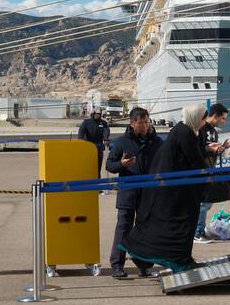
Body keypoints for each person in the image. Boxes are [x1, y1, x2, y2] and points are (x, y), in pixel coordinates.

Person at [121, 104, 211, 271]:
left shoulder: (185, 130)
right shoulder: (184, 132)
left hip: (174, 188)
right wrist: (210, 176)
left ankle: (175, 258)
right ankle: (179, 260)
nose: (204, 123)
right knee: (177, 224)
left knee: (168, 224)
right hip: (174, 191)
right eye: (203, 119)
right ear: (196, 118)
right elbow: (195, 160)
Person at [105, 107, 162, 279]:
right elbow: (109, 166)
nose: (145, 126)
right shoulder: (122, 142)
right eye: (141, 122)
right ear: (132, 123)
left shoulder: (157, 142)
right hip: (128, 193)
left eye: (147, 122)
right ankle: (117, 265)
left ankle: (144, 265)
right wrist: (122, 164)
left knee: (145, 230)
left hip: (149, 194)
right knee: (123, 228)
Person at [194, 103, 230, 242]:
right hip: (202, 171)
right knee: (204, 203)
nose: (224, 121)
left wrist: (222, 147)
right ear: (215, 116)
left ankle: (199, 228)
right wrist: (211, 149)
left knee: (206, 203)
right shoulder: (204, 129)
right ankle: (197, 232)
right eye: (223, 118)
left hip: (209, 169)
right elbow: (200, 149)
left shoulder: (212, 131)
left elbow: (212, 151)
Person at [77, 105, 111, 175]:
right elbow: (81, 131)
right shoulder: (86, 122)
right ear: (92, 114)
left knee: (98, 165)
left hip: (99, 147)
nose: (97, 115)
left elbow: (106, 130)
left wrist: (106, 138)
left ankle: (97, 178)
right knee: (88, 165)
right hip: (88, 147)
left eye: (99, 114)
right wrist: (81, 140)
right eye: (95, 114)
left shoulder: (103, 123)